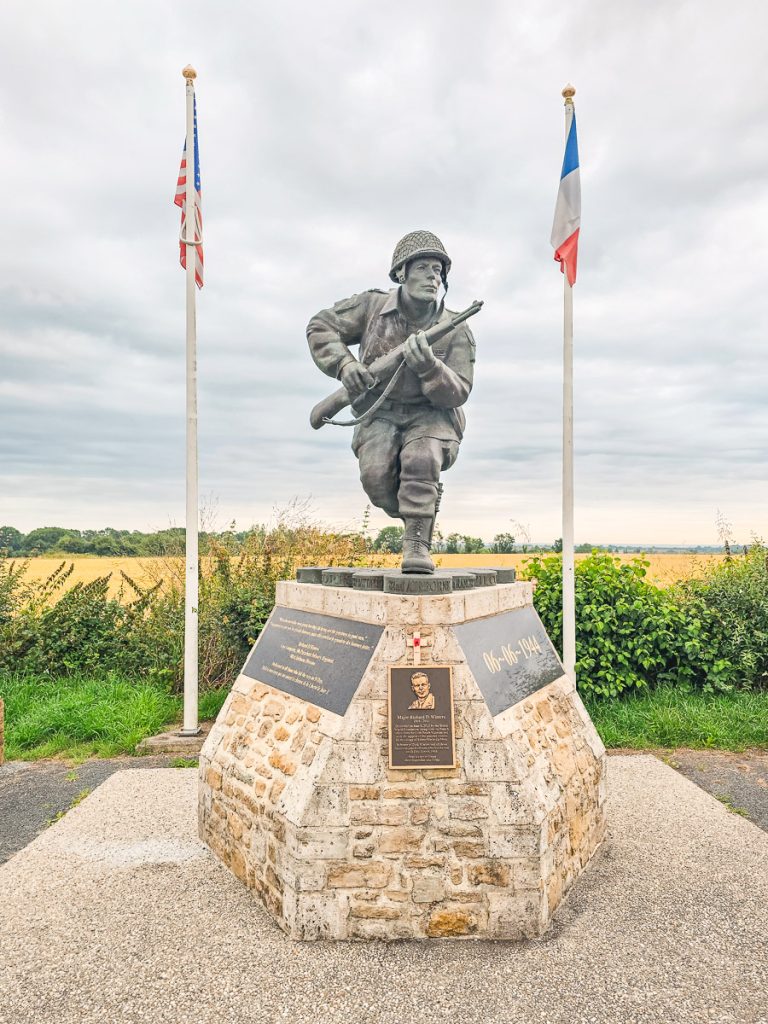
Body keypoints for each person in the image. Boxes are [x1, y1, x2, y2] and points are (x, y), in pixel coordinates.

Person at [306, 231, 475, 573]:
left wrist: (429, 368)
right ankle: (418, 507)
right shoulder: (371, 307)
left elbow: (458, 391)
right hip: (378, 413)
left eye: (439, 270)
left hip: (432, 416)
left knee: (420, 457)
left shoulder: (456, 329)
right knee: (377, 481)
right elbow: (320, 326)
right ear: (402, 272)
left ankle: (417, 541)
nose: (434, 277)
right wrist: (346, 365)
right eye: (425, 268)